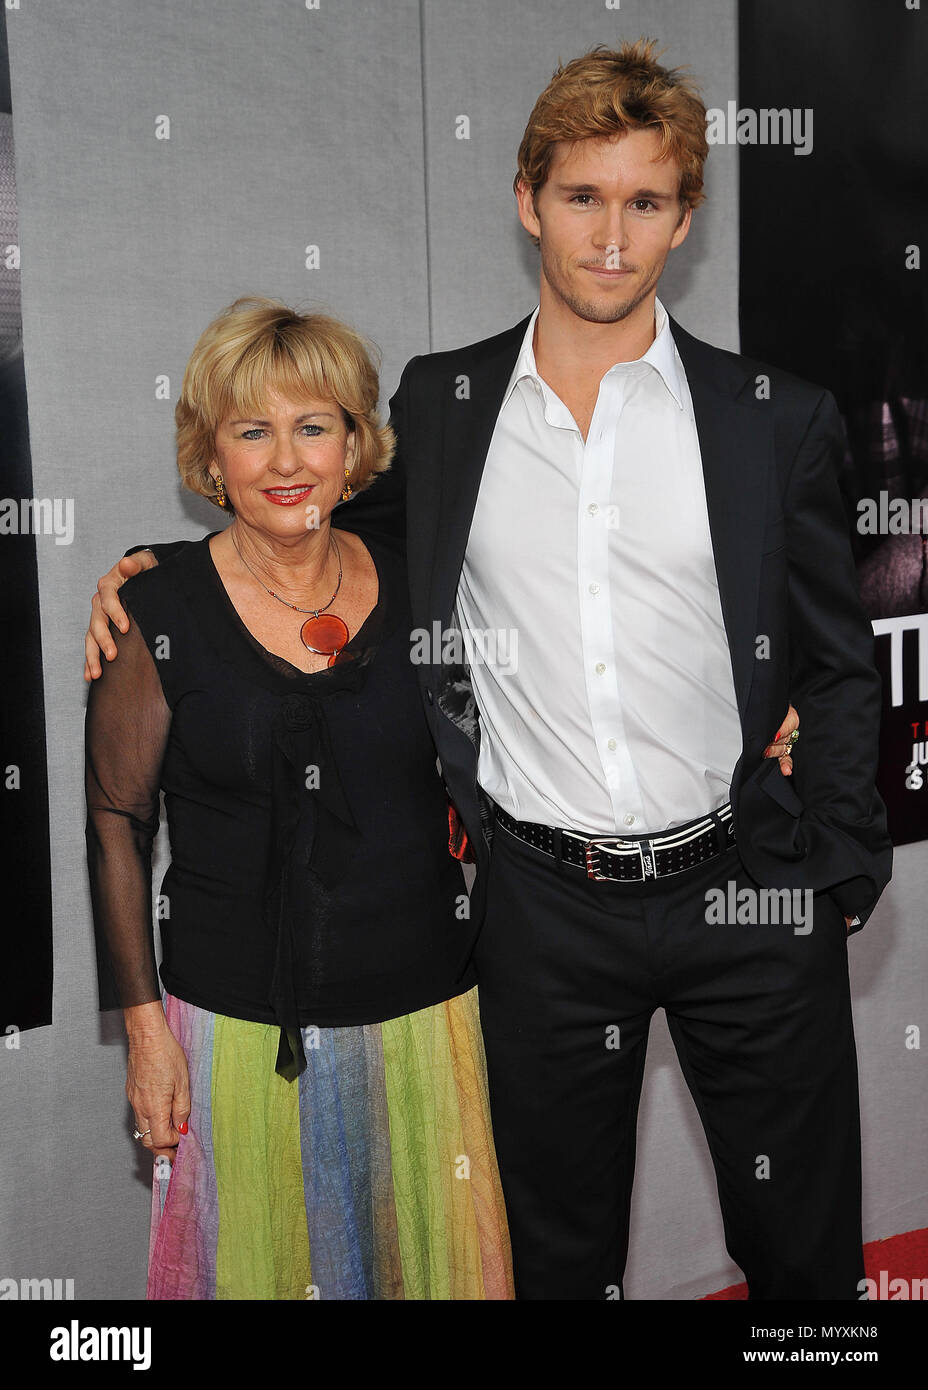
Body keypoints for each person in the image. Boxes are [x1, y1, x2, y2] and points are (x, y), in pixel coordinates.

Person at [84, 40, 889, 1300]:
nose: (610, 237)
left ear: (683, 215)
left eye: (645, 200)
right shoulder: (444, 405)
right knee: (552, 1264)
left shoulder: (771, 417)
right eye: (581, 195)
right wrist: (154, 571)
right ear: (527, 201)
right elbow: (326, 527)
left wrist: (838, 865)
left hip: (750, 892)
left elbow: (840, 665)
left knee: (804, 1265)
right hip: (541, 918)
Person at [84, 297, 513, 1300]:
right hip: (234, 1035)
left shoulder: (426, 592)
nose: (286, 460)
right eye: (252, 430)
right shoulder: (156, 609)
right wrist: (144, 1032)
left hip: (428, 1019)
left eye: (314, 425)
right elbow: (116, 824)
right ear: (210, 453)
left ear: (355, 444)